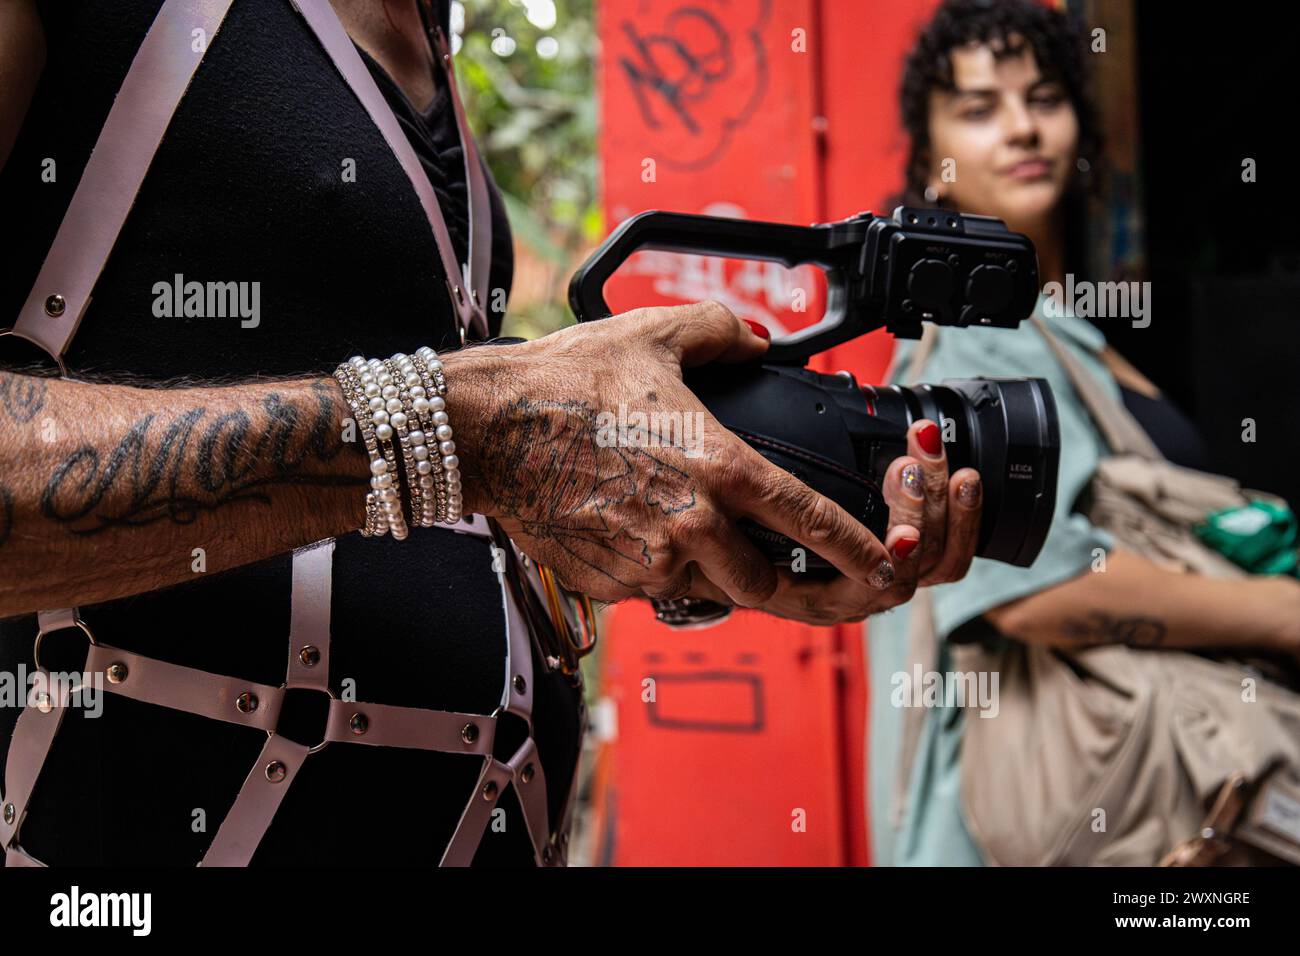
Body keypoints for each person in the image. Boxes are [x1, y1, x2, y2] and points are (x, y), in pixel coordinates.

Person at [0, 0, 984, 866]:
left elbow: (405, 527)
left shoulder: (433, 53)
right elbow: (439, 440)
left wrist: (683, 535)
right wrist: (467, 428)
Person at [868, 0, 1300, 867]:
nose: (1023, 127)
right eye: (980, 108)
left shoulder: (1060, 328)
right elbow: (1034, 589)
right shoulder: (979, 333)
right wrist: (1285, 614)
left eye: (1046, 97)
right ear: (932, 162)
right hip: (1003, 830)